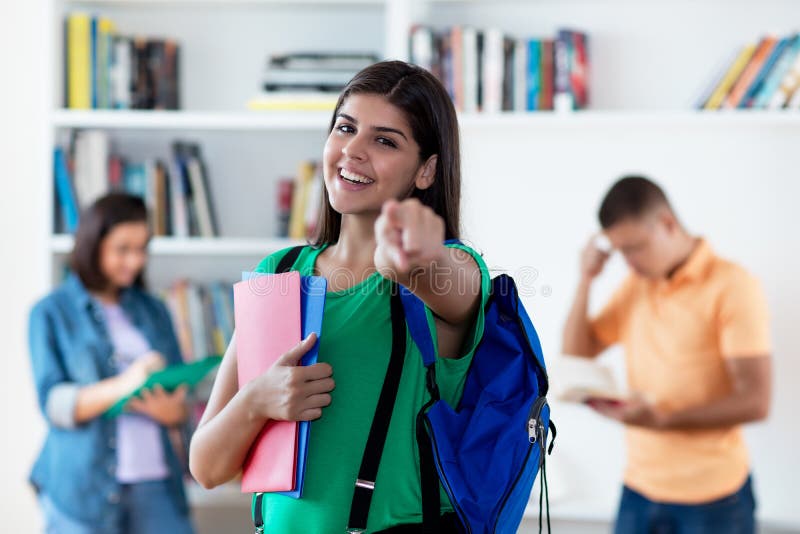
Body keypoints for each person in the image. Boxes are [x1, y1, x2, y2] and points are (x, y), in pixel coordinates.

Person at [189, 60, 490, 533]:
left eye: (385, 140)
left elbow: (424, 269)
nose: (353, 150)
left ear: (427, 171)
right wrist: (256, 401)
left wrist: (413, 254)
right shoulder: (281, 272)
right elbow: (207, 467)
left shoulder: (455, 273)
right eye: (345, 128)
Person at [562, 176, 772, 533]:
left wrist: (661, 419)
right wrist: (586, 280)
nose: (627, 262)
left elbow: (755, 401)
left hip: (715, 501)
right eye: (620, 251)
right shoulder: (637, 286)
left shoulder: (733, 286)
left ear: (667, 224)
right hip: (638, 490)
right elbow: (577, 356)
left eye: (634, 248)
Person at [28, 193, 195, 534]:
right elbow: (54, 405)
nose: (135, 261)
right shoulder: (50, 312)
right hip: (82, 490)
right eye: (123, 249)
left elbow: (182, 401)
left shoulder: (154, 309)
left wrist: (172, 412)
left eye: (142, 248)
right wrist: (127, 384)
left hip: (156, 482)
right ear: (94, 244)